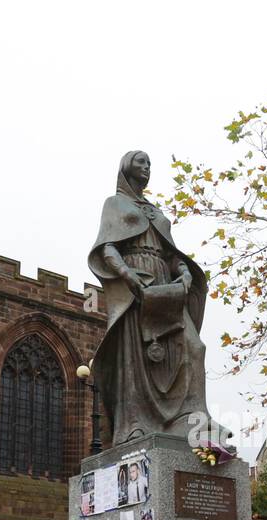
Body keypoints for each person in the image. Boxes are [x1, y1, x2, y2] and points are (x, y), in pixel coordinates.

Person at [87, 151, 229, 444]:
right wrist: (126, 274)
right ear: (127, 167)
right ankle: (134, 424)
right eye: (141, 162)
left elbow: (171, 253)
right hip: (136, 285)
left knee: (193, 347)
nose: (147, 168)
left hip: (167, 286)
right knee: (134, 360)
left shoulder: (154, 211)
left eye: (149, 163)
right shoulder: (115, 203)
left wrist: (184, 273)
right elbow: (107, 247)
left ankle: (193, 420)